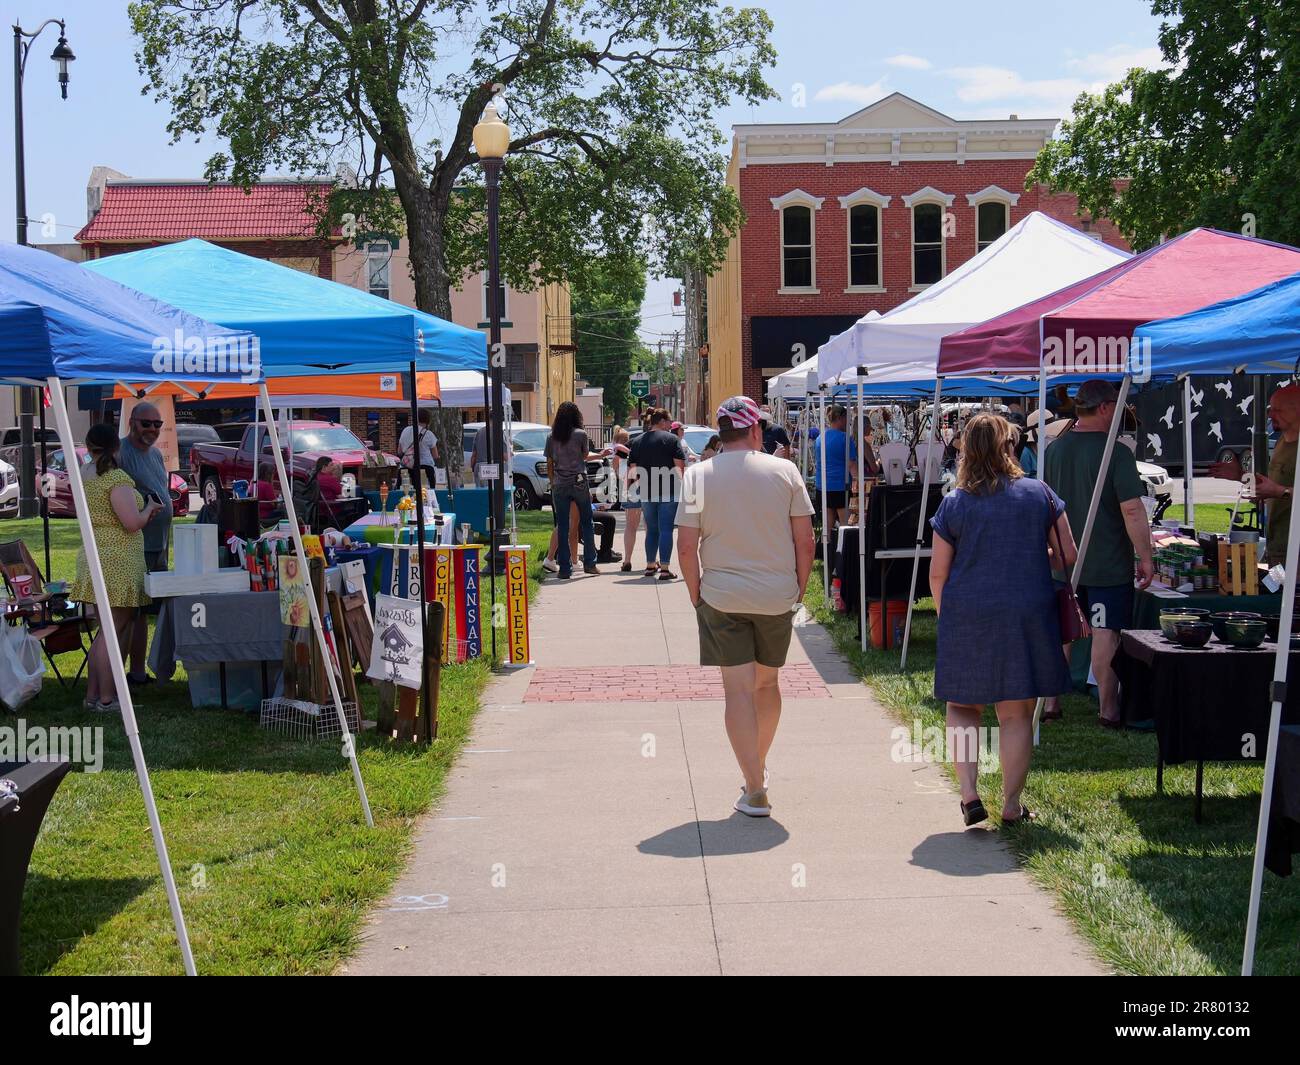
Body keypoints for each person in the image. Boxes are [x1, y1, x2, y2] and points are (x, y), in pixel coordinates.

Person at [927, 414, 1077, 826]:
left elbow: (938, 573)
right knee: (1014, 713)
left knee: (963, 705)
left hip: (968, 612)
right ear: (1009, 448)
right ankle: (1011, 804)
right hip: (1025, 611)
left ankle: (970, 794)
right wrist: (1030, 555)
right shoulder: (1039, 493)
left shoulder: (955, 502)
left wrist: (948, 616)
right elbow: (1069, 554)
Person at [676, 396, 815, 817]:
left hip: (722, 596)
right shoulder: (785, 471)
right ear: (756, 431)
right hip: (776, 594)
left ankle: (754, 785)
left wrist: (695, 593)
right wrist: (799, 590)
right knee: (767, 685)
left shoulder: (698, 476)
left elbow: (685, 547)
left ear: (721, 433)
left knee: (736, 690)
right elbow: (805, 541)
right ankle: (759, 765)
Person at [1042, 379, 1155, 727]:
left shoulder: (1054, 449)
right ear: (1106, 407)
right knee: (1105, 634)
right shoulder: (1115, 452)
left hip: (1062, 560)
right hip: (1107, 564)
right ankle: (1108, 710)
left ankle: (1050, 704)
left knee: (1061, 631)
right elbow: (1133, 510)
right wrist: (1146, 557)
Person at [71, 424, 163, 712]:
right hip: (117, 561)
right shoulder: (116, 479)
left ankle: (93, 695)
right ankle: (107, 698)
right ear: (116, 447)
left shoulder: (83, 474)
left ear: (88, 445)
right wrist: (149, 509)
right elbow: (131, 523)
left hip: (94, 556)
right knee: (112, 632)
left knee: (105, 631)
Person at [1210, 383, 1300, 567]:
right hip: (1278, 548)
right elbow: (1269, 487)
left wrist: (1279, 491)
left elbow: (1277, 489)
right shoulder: (1283, 442)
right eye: (1269, 409)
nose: (1270, 415)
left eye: (1277, 410)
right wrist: (1241, 476)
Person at [117, 401, 174, 686]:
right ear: (132, 421)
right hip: (135, 544)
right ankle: (118, 675)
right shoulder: (119, 453)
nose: (152, 429)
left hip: (158, 544)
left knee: (144, 614)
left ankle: (138, 672)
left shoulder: (154, 455)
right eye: (146, 423)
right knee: (130, 613)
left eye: (157, 424)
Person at [544, 401, 601, 579]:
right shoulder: (580, 435)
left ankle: (565, 568)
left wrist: (553, 483)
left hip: (560, 484)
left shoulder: (551, 437)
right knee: (586, 522)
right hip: (578, 481)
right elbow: (584, 456)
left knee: (562, 525)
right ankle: (590, 564)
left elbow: (549, 463)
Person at [628, 408, 686, 580]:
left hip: (647, 491)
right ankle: (666, 569)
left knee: (652, 530)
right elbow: (679, 467)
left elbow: (633, 469)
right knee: (666, 529)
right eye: (669, 421)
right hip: (670, 491)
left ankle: (650, 565)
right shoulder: (672, 439)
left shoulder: (637, 441)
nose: (670, 425)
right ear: (661, 421)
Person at [813, 404, 858, 534]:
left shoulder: (819, 438)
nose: (848, 421)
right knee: (846, 527)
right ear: (840, 418)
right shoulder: (845, 438)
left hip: (823, 486)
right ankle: (845, 553)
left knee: (827, 529)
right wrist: (859, 488)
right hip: (840, 486)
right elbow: (852, 466)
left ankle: (826, 551)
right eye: (846, 418)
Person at [399, 409, 440, 490]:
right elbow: (435, 455)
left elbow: (399, 452)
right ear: (428, 420)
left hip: (407, 467)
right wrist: (438, 457)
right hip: (425, 468)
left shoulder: (405, 430)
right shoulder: (429, 434)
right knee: (428, 492)